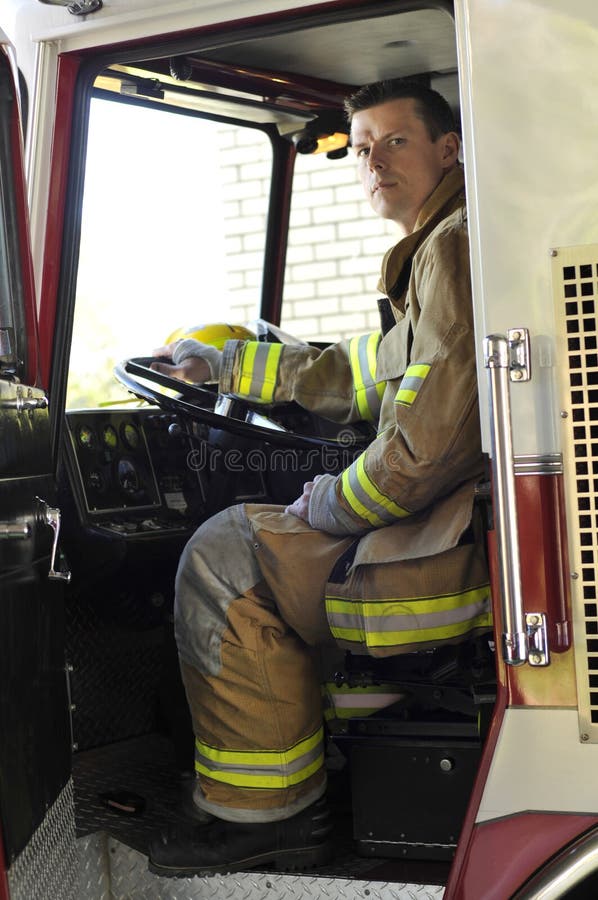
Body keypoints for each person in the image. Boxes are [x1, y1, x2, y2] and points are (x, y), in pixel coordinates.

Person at [148, 78, 491, 877]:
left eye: (394, 141)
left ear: (449, 149)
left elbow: (418, 459)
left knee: (226, 554)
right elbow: (357, 373)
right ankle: (339, 763)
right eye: (361, 148)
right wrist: (229, 366)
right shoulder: (444, 247)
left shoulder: (452, 247)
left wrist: (327, 503)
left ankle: (265, 818)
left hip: (477, 564)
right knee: (275, 538)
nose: (373, 161)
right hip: (473, 537)